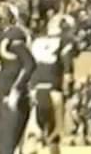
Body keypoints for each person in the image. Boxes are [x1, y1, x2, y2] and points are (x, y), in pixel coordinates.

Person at [0, 2, 35, 154]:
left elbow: (29, 64)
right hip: (3, 96)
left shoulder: (14, 35)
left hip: (13, 97)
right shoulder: (3, 37)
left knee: (7, 148)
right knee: (2, 148)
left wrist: (16, 91)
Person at [29, 13, 78, 154]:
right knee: (54, 133)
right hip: (53, 90)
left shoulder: (37, 41)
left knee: (34, 131)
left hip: (33, 89)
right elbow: (68, 68)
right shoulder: (65, 41)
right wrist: (69, 90)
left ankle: (33, 145)